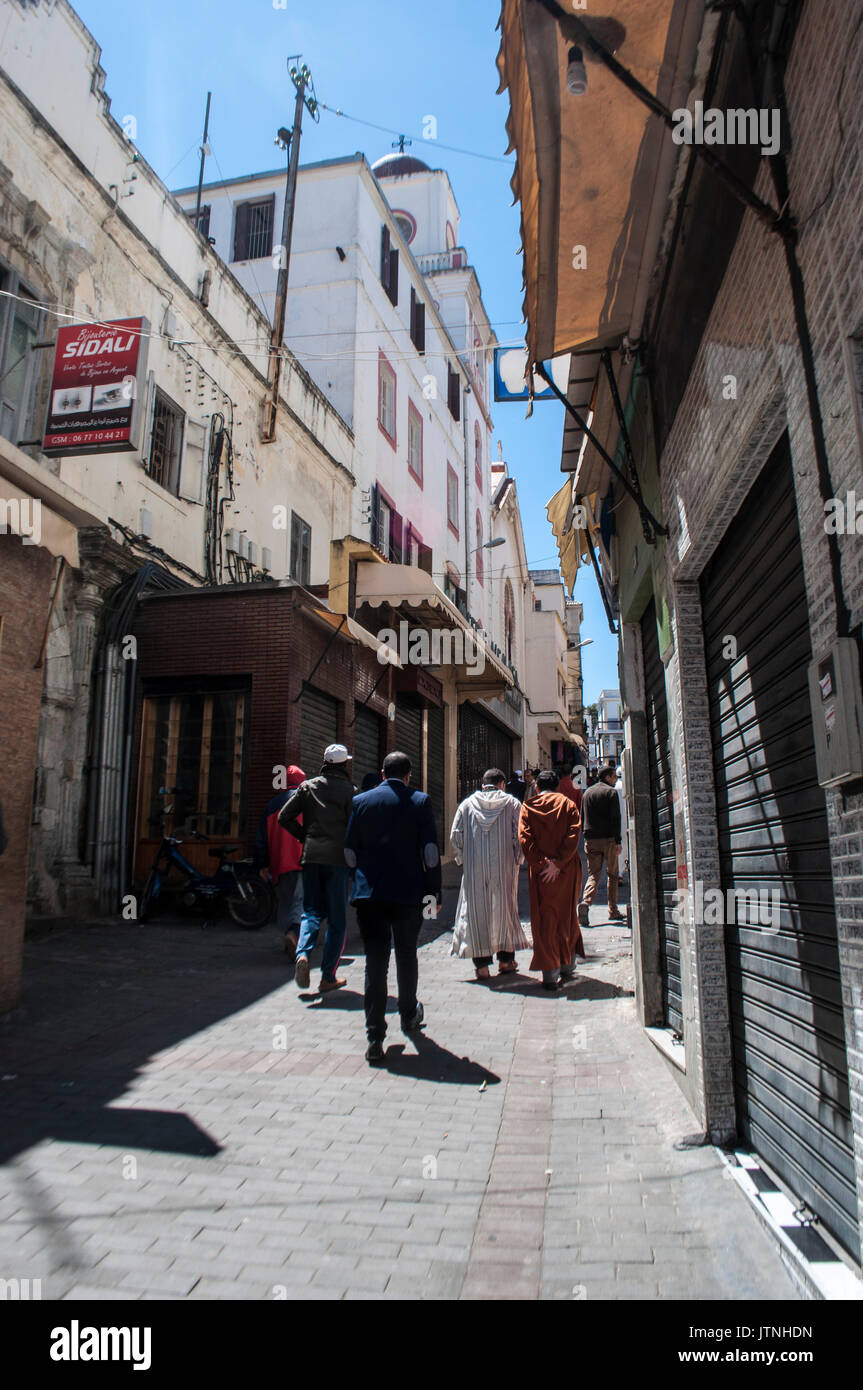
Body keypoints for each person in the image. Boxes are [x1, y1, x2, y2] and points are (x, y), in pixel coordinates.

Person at [344, 751, 441, 1064]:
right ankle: (409, 1014)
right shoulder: (420, 801)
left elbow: (348, 850)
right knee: (406, 955)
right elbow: (429, 851)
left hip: (369, 896)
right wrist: (433, 891)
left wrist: (359, 880)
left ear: (382, 773)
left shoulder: (361, 802)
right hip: (407, 894)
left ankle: (375, 1036)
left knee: (375, 961)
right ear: (409, 774)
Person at [278, 744, 355, 993]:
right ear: (344, 765)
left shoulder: (307, 787)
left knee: (310, 911)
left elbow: (283, 817)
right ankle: (328, 976)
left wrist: (304, 836)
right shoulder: (350, 793)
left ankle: (302, 954)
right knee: (337, 920)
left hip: (311, 857)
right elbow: (356, 828)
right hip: (339, 861)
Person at [450, 768, 530, 980]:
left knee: (477, 914)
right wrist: (517, 859)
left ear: (483, 784)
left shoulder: (467, 805)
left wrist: (463, 860)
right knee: (505, 911)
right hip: (504, 868)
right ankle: (506, 961)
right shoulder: (513, 804)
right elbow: (520, 835)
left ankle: (482, 967)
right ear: (502, 784)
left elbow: (455, 836)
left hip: (475, 869)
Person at [518, 769, 585, 989]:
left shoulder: (528, 807)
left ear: (537, 787)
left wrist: (541, 864)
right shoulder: (568, 805)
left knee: (544, 917)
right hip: (566, 871)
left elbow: (524, 839)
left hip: (540, 874)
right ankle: (567, 964)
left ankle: (549, 972)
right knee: (567, 915)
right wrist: (558, 863)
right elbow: (574, 835)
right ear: (557, 786)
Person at [253, 764, 306, 958]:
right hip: (304, 861)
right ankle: (295, 934)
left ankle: (289, 936)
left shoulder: (272, 805)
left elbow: (261, 839)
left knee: (285, 902)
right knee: (300, 901)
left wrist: (262, 864)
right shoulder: (309, 802)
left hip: (280, 863)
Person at [578, 762, 624, 926]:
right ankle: (613, 910)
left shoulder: (587, 793)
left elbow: (582, 817)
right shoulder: (610, 793)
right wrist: (618, 840)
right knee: (612, 874)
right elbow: (615, 818)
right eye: (614, 777)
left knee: (593, 874)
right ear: (608, 777)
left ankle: (586, 902)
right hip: (608, 839)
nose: (615, 779)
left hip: (591, 839)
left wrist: (585, 835)